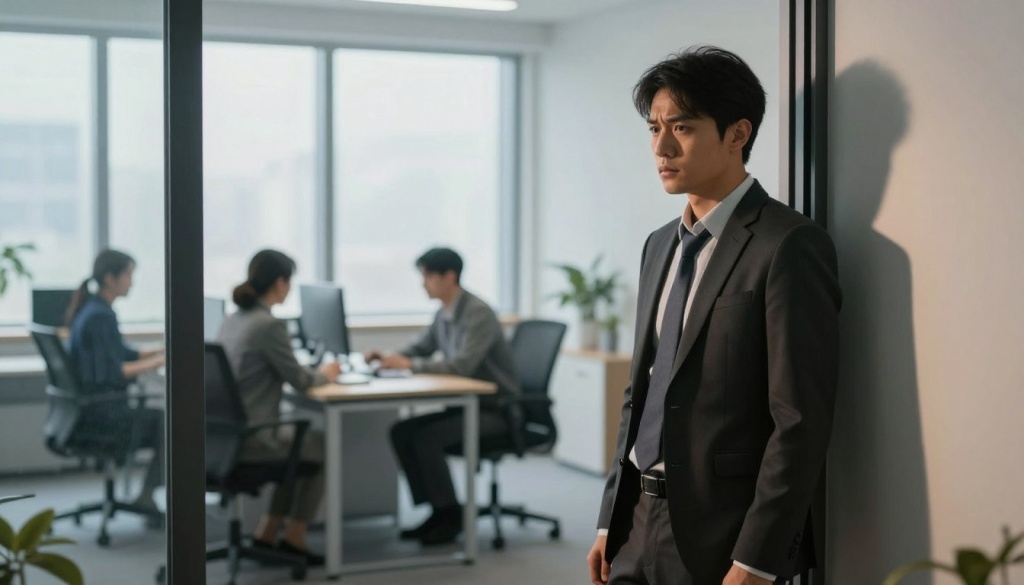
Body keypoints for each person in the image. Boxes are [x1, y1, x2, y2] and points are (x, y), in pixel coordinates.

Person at [585, 46, 842, 585]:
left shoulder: (788, 244)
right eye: (653, 128)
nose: (661, 146)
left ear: (737, 133)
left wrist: (756, 559)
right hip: (636, 520)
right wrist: (611, 519)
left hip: (723, 536)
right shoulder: (660, 245)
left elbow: (798, 422)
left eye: (681, 127)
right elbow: (643, 391)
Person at [364, 247, 520, 546]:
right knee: (402, 431)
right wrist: (389, 357)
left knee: (426, 438)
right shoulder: (444, 312)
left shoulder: (478, 313)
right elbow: (422, 347)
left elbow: (463, 365)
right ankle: (438, 510)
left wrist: (409, 365)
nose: (423, 284)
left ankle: (450, 516)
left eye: (427, 277)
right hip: (466, 407)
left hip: (495, 411)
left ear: (449, 276)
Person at [218, 249, 341, 566]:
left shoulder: (233, 320)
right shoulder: (268, 325)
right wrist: (326, 373)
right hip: (252, 440)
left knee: (303, 445)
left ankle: (268, 531)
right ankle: (294, 536)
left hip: (223, 440)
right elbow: (301, 380)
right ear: (279, 282)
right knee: (321, 446)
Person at [66, 249, 166, 512]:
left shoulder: (94, 309)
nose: (132, 282)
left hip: (88, 408)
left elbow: (122, 353)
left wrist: (161, 350)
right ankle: (147, 494)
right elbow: (111, 373)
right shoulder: (101, 316)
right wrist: (158, 363)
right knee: (169, 423)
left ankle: (148, 493)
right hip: (105, 413)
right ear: (111, 279)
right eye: (129, 275)